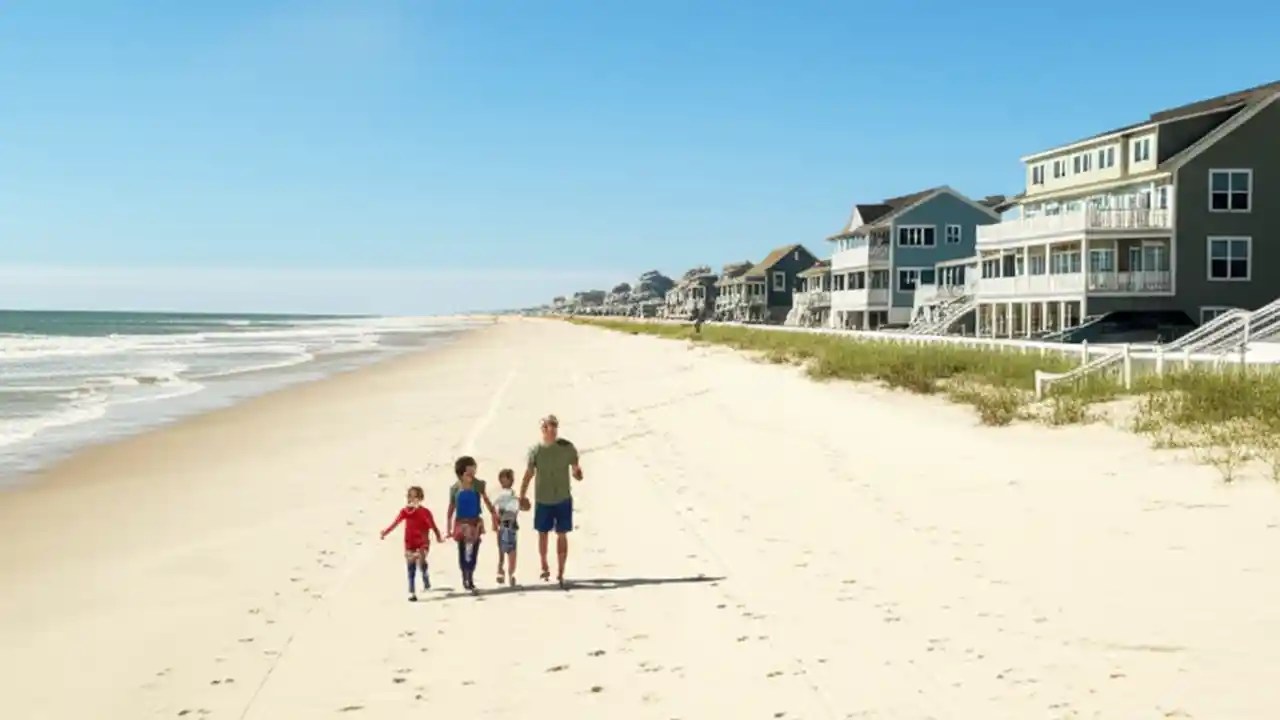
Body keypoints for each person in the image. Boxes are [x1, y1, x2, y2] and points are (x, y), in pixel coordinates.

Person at [518, 414, 583, 589]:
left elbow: (577, 469)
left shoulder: (567, 447)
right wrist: (522, 495)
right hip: (543, 499)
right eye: (547, 427)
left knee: (562, 534)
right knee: (543, 533)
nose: (551, 430)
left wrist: (577, 473)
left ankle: (561, 571)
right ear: (542, 430)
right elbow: (529, 474)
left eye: (554, 426)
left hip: (562, 498)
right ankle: (544, 565)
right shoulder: (535, 451)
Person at [380, 486, 443, 602]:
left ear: (421, 498)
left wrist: (438, 536)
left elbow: (433, 526)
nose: (413, 499)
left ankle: (425, 576)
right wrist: (385, 532)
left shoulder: (425, 512)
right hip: (409, 543)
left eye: (416, 497)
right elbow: (395, 523)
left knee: (421, 560)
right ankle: (412, 591)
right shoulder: (405, 512)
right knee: (411, 567)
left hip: (423, 543)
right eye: (410, 496)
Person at [447, 456, 499, 592]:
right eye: (468, 473)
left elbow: (486, 499)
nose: (472, 475)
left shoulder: (478, 485)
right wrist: (448, 526)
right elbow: (451, 507)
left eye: (473, 472)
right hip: (461, 523)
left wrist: (493, 513)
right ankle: (465, 574)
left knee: (474, 550)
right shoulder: (455, 488)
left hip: (475, 522)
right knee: (463, 551)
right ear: (461, 474)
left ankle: (470, 575)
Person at [493, 469, 520, 586]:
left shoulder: (513, 494)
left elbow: (516, 508)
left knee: (510, 549)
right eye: (502, 479)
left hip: (510, 523)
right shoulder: (502, 494)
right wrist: (494, 521)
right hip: (504, 523)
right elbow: (494, 509)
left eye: (506, 479)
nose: (503, 482)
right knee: (503, 549)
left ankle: (510, 572)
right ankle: (503, 571)